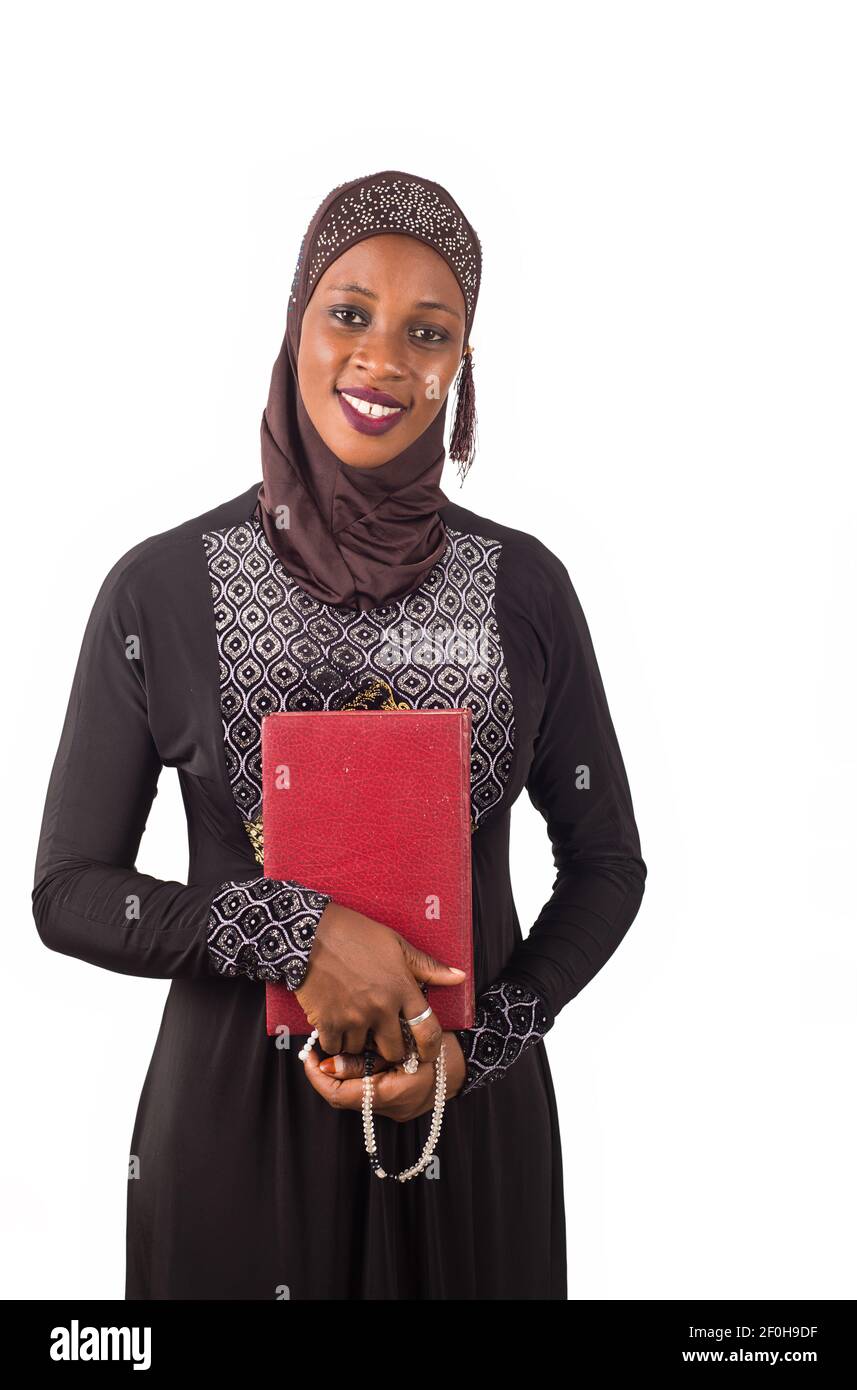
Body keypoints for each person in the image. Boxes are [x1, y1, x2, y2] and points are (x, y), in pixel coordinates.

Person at [32, 170, 647, 1300]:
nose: (382, 360)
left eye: (429, 332)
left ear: (461, 366)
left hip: (473, 1136)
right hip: (234, 1137)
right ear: (296, 326)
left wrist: (483, 1047)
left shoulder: (525, 589)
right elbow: (67, 890)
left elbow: (608, 863)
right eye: (349, 314)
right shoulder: (163, 589)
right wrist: (286, 929)